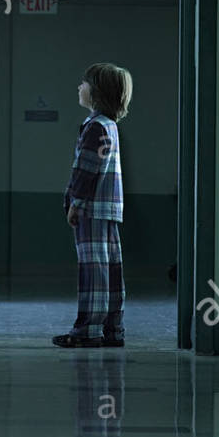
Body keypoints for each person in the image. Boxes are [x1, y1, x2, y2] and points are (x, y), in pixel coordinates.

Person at [53, 62, 132, 348]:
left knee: (93, 271)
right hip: (108, 208)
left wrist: (76, 202)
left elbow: (87, 169)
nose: (79, 87)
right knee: (109, 270)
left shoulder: (95, 127)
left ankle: (88, 331)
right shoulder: (109, 125)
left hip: (92, 208)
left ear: (96, 92)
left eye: (83, 83)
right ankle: (113, 329)